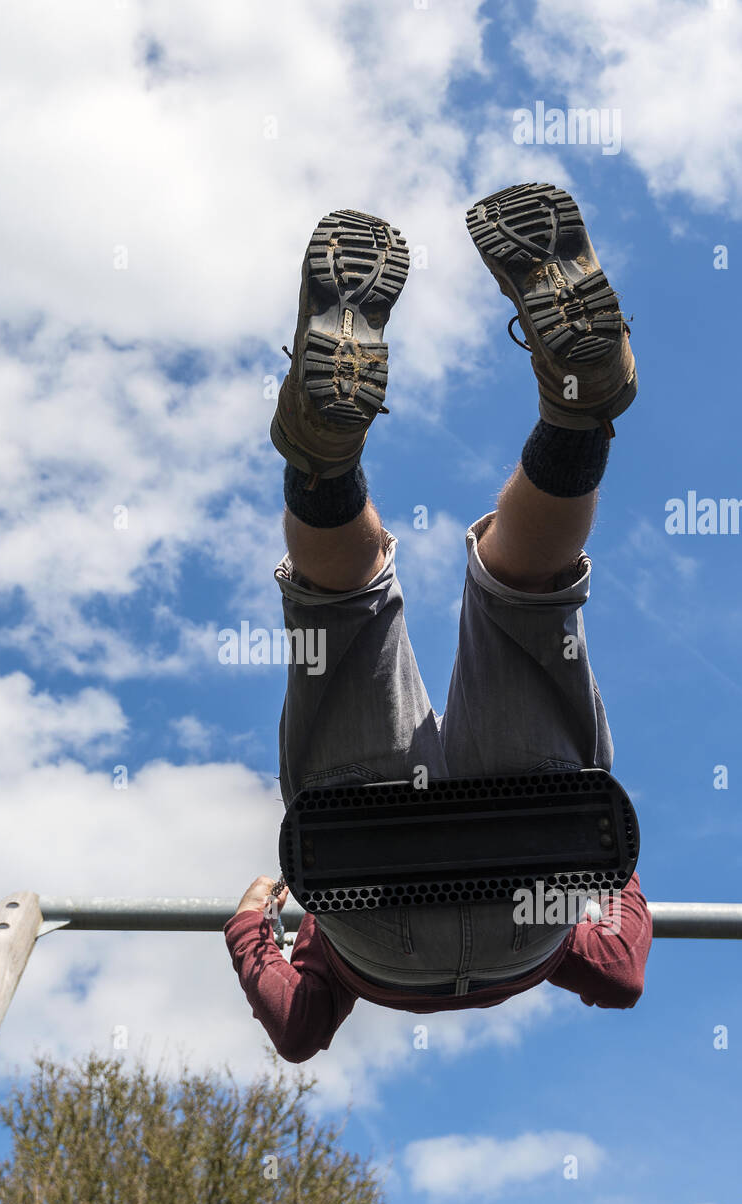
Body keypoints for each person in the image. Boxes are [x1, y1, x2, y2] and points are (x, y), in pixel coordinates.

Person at [224, 186, 653, 1064]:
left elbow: (618, 976)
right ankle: (322, 458)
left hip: (529, 888)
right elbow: (298, 1031)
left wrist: (618, 890)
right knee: (340, 612)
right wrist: (250, 925)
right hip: (366, 894)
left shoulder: (547, 960)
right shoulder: (339, 971)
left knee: (527, 594)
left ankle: (579, 414)